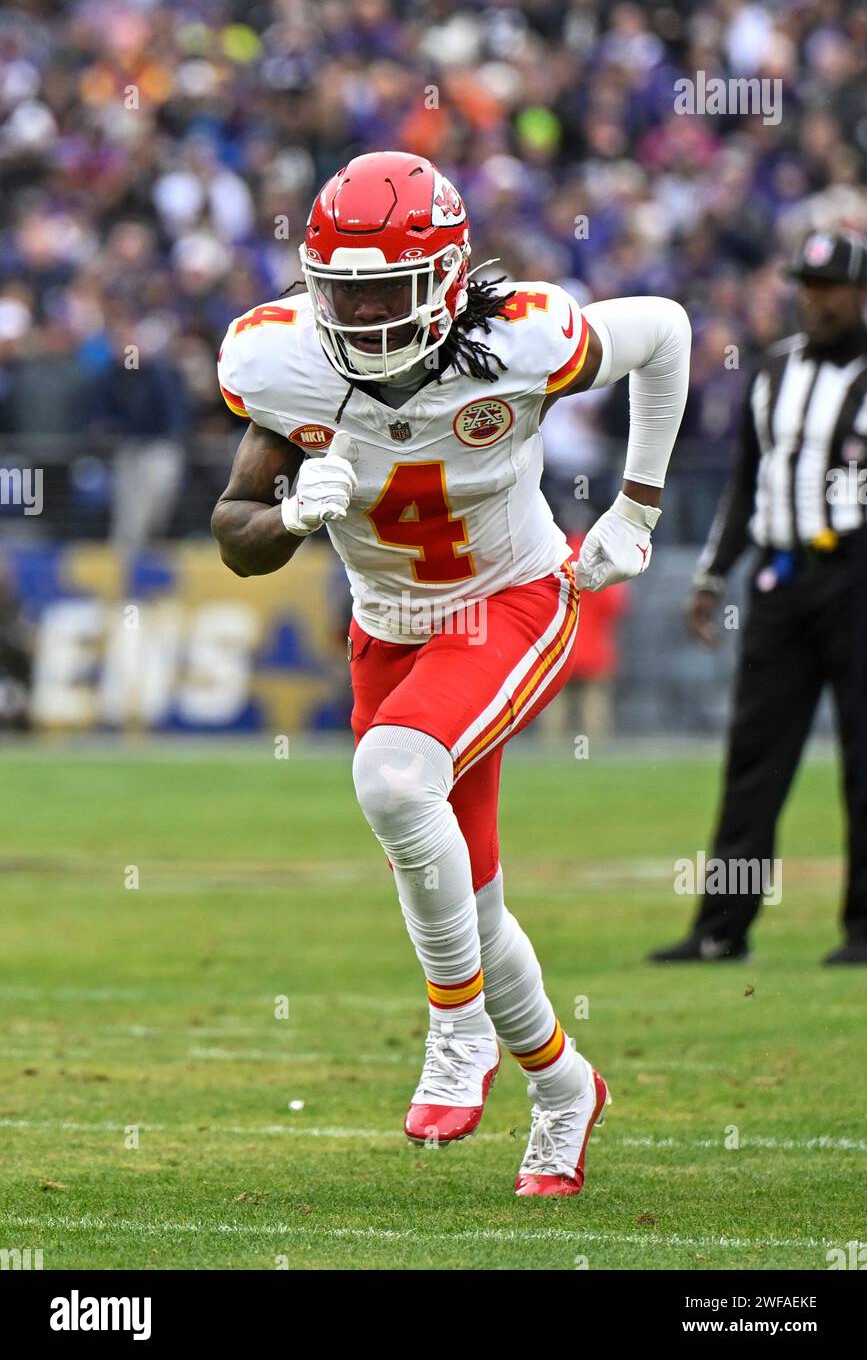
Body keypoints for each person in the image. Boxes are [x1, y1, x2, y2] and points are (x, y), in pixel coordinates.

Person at [212, 151, 690, 1196]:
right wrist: (291, 514)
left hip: (511, 600)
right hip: (388, 631)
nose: (365, 311)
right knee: (469, 903)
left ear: (445, 274)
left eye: (388, 287)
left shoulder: (522, 335)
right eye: (344, 289)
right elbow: (235, 533)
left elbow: (664, 331)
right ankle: (565, 1087)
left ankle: (455, 1025)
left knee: (392, 780)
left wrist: (637, 510)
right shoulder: (280, 359)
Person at [650, 231, 867, 967]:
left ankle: (863, 930)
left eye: (829, 286)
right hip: (779, 578)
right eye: (805, 285)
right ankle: (720, 929)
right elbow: (745, 484)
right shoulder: (772, 370)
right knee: (753, 756)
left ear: (859, 293)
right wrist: (712, 576)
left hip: (855, 576)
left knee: (863, 759)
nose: (815, 299)